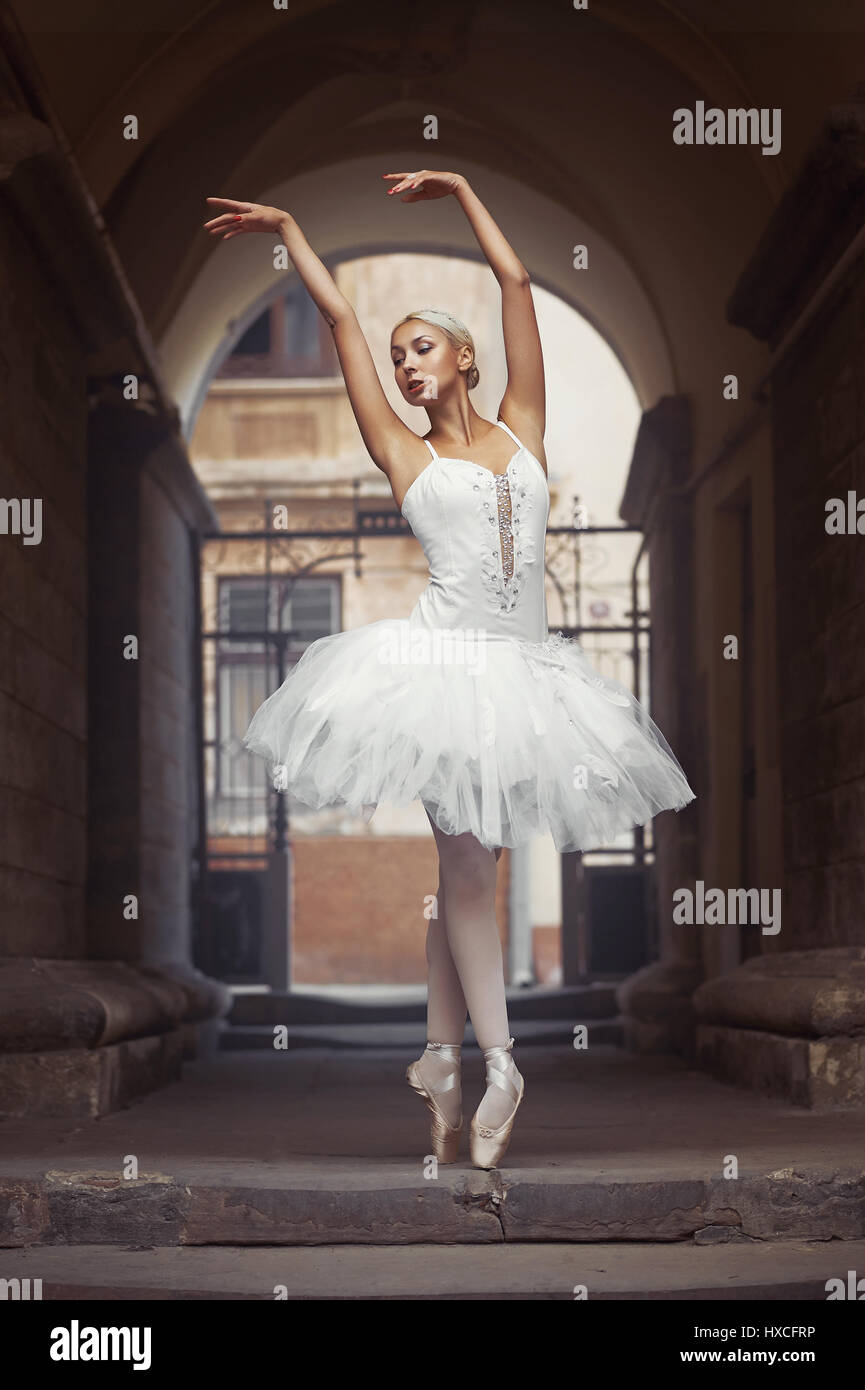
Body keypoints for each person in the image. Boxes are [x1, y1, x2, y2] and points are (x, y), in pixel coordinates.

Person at [203, 172, 696, 1169]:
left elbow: (516, 282)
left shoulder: (524, 423)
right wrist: (293, 231)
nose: (406, 367)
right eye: (399, 359)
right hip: (435, 674)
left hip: (526, 678)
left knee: (467, 873)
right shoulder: (402, 453)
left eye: (421, 348)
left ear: (462, 357)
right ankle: (503, 1063)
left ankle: (438, 1054)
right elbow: (339, 317)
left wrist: (466, 188)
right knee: (469, 870)